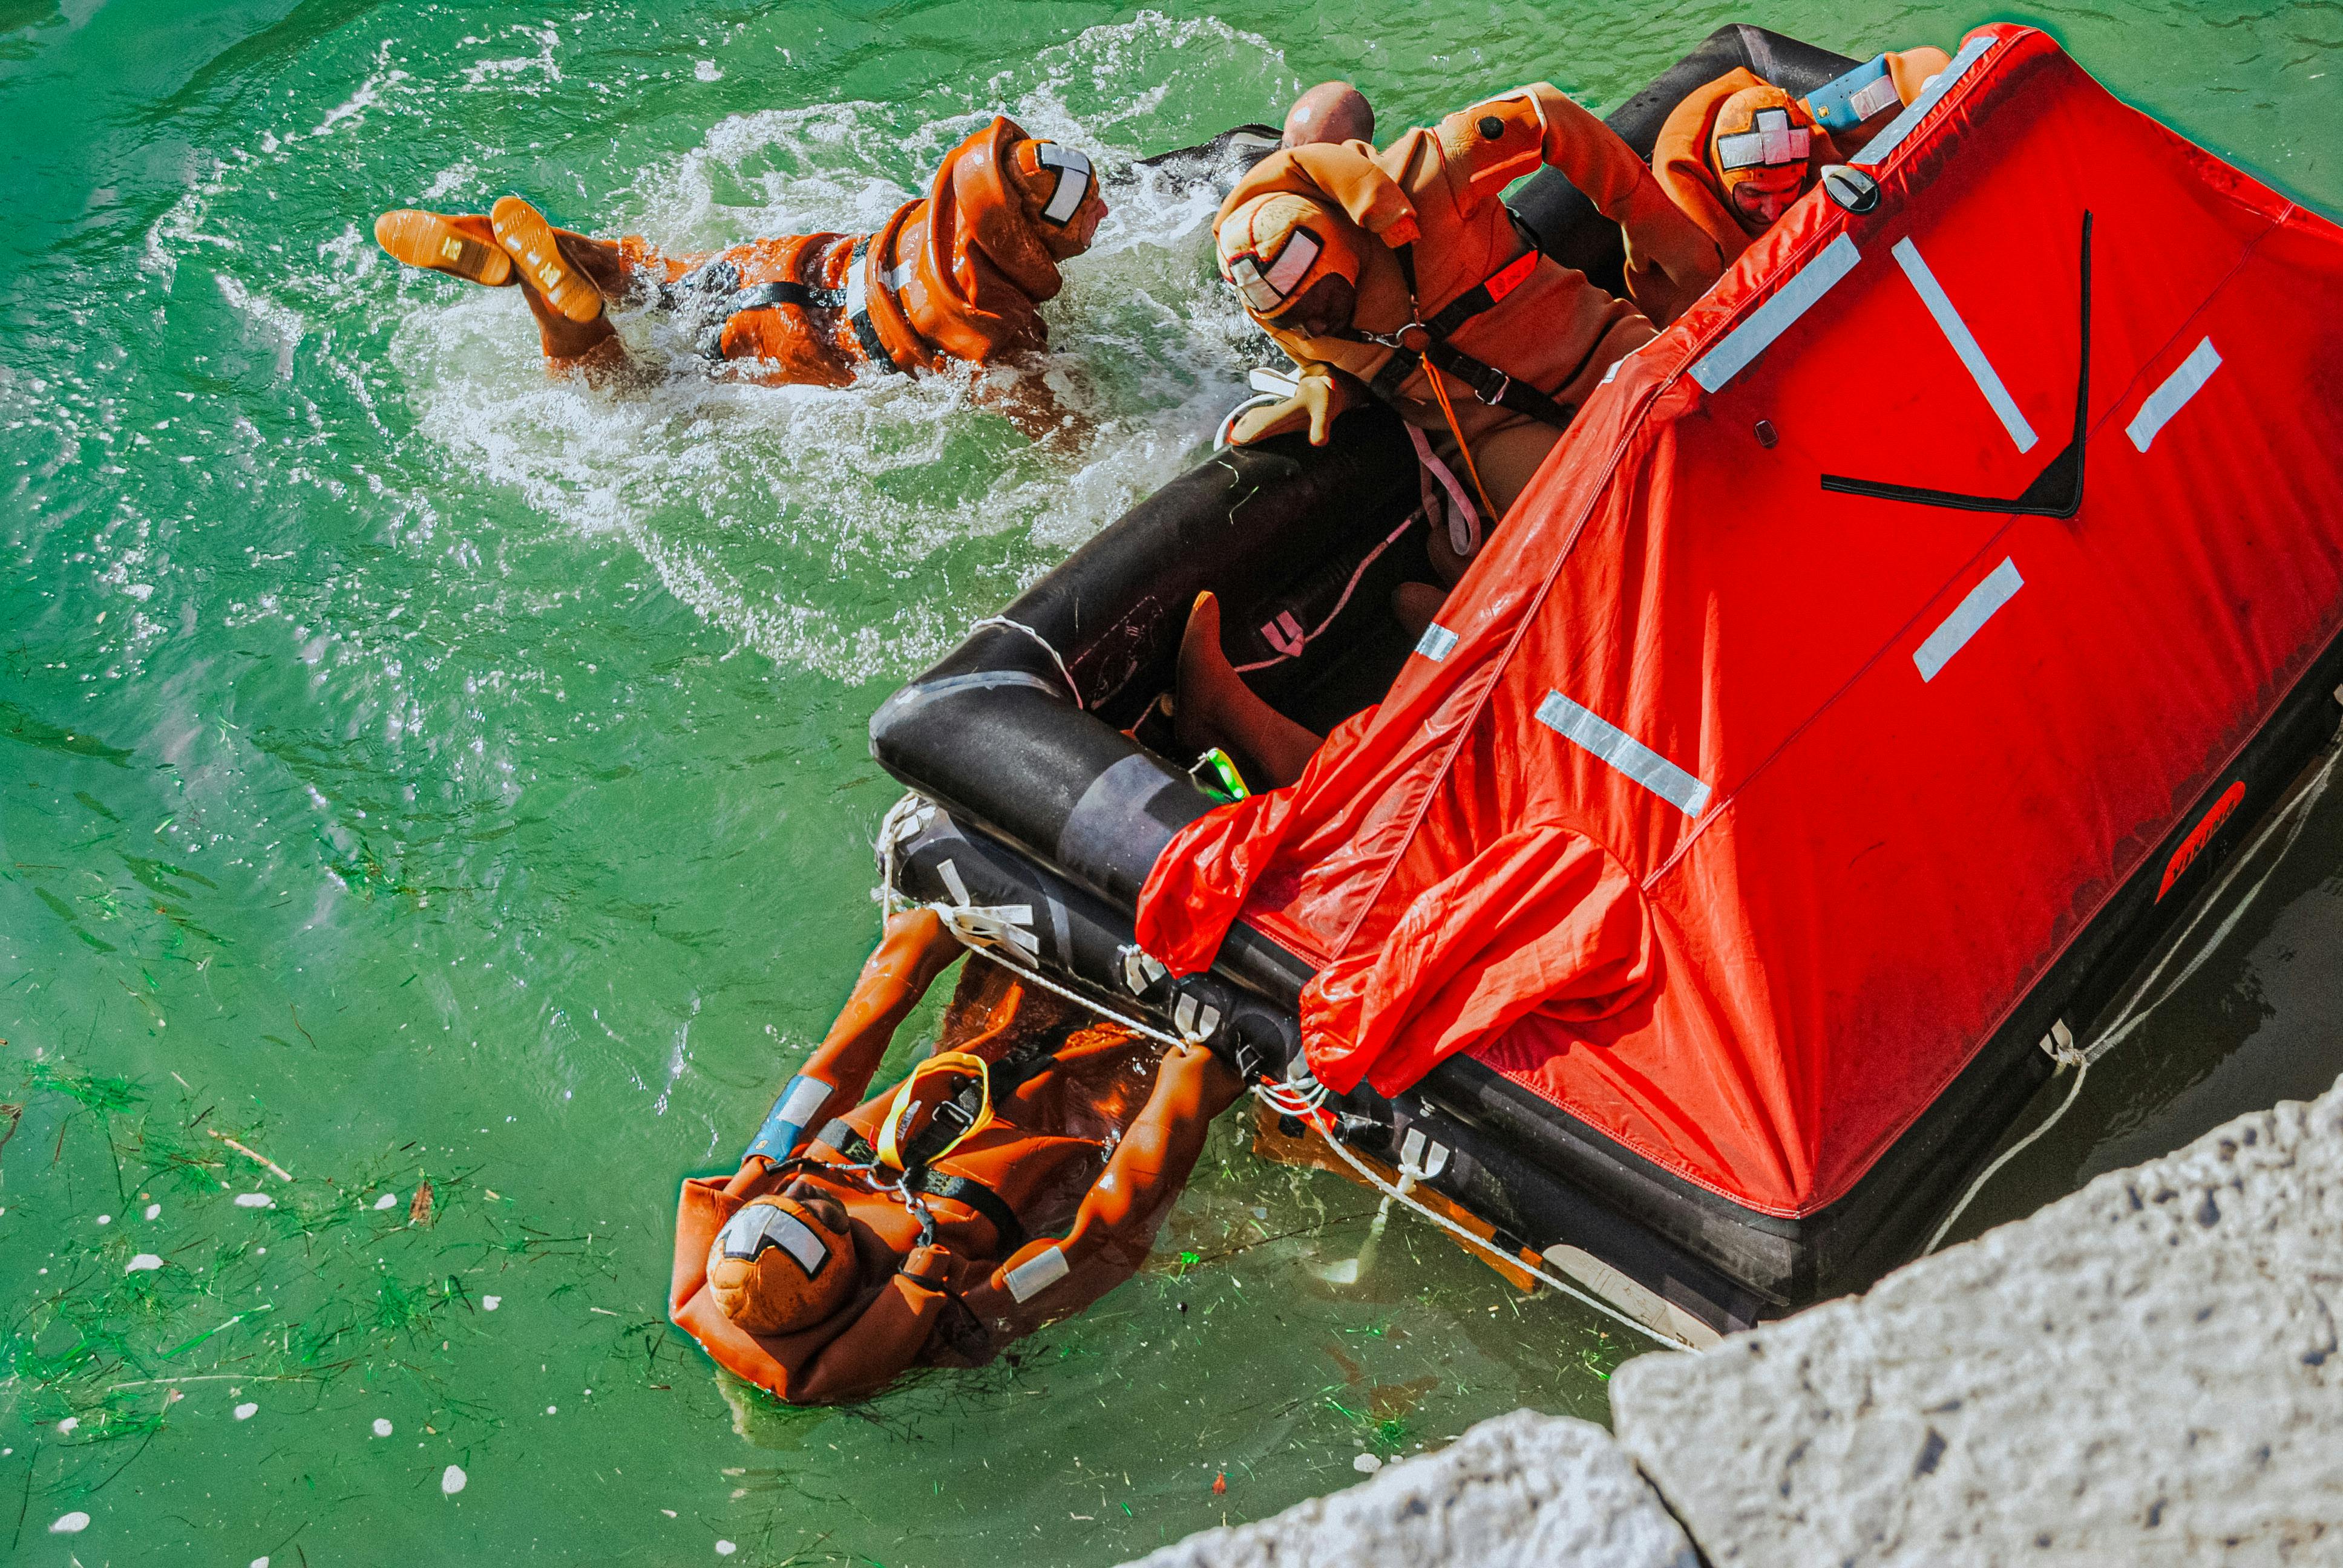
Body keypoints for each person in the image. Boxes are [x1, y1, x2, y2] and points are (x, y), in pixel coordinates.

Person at [669, 908, 1242, 1405]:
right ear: (844, 1272)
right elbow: (1098, 1240)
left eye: (785, 1198)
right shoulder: (948, 1317)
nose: (799, 1191)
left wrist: (915, 950)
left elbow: (827, 1073)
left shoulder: (767, 1185)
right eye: (821, 1215)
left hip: (995, 1037)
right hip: (1099, 1108)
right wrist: (1187, 1094)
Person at [1212, 83, 1720, 590]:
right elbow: (1332, 359)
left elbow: (1548, 113)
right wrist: (1322, 386)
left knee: (1714, 448)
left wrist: (1645, 215)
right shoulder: (1266, 294)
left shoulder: (1428, 177)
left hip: (1599, 354)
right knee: (1586, 541)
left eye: (1322, 306)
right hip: (1496, 432)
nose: (1315, 327)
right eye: (1292, 321)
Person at [373, 117, 1107, 440]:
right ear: (1015, 240)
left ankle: (497, 240)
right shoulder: (989, 331)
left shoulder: (936, 222)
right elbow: (1071, 446)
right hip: (791, 343)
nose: (1098, 204)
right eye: (1077, 200)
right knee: (612, 387)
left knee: (641, 273)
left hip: (785, 269)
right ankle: (553, 304)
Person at [1650, 50, 1951, 269]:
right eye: (1754, 194)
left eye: (1787, 190)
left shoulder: (1801, 134)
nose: (1771, 212)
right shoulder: (1686, 228)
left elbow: (1921, 66)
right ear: (1721, 178)